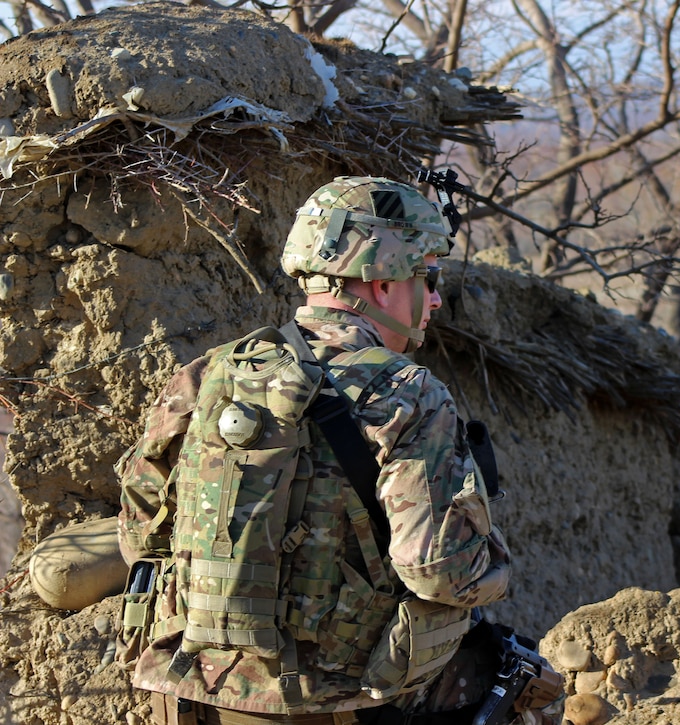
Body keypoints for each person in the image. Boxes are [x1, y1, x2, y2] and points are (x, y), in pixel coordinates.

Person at [116, 176, 560, 725]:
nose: (437, 297)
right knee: (509, 678)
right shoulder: (406, 394)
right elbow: (438, 570)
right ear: (383, 282)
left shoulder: (208, 372)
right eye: (428, 275)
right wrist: (495, 567)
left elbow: (141, 528)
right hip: (336, 705)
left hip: (192, 696)